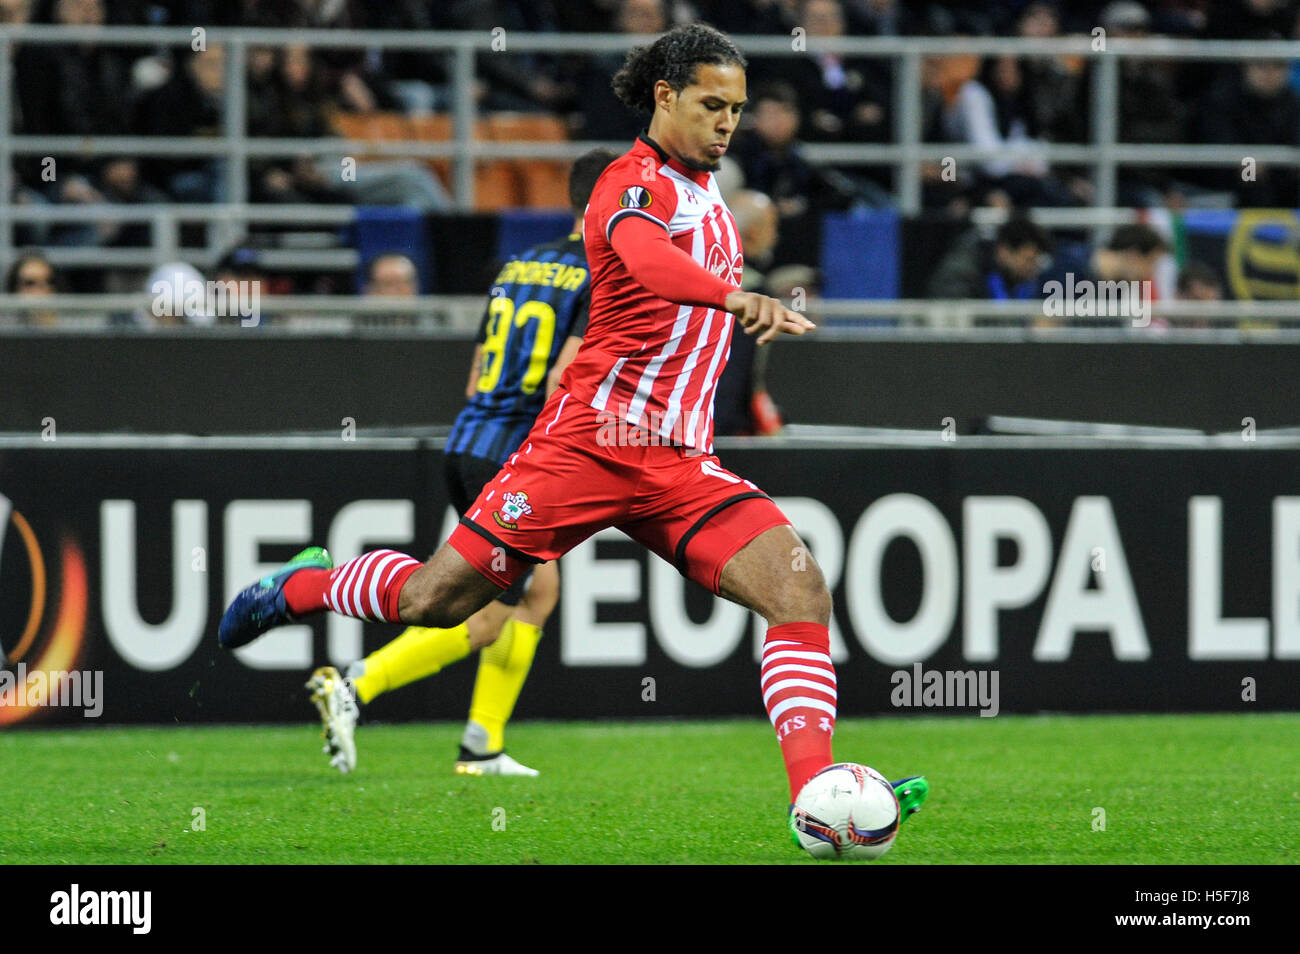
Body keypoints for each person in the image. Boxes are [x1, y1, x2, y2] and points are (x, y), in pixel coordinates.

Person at [218, 24, 927, 841]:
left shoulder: (711, 197)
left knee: (799, 588)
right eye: (710, 104)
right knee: (434, 602)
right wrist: (729, 298)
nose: (727, 122)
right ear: (665, 97)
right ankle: (301, 586)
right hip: (586, 447)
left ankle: (813, 795)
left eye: (735, 107)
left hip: (677, 462)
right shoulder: (633, 183)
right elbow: (642, 256)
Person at [303, 148, 618, 776]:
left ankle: (482, 744)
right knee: (488, 611)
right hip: (515, 458)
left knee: (537, 593)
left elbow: (479, 370)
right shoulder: (599, 273)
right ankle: (356, 687)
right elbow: (563, 379)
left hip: (469, 440)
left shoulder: (522, 262)